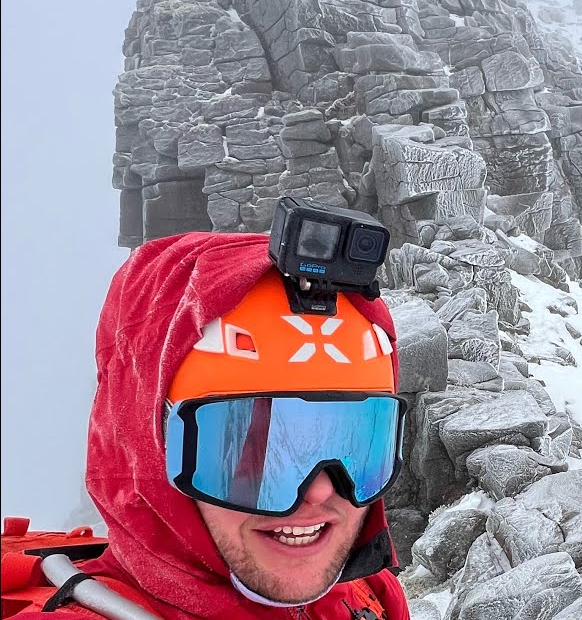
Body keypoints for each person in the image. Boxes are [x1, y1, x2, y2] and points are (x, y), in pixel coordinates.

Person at [16, 232, 411, 619]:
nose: (321, 489)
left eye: (355, 443)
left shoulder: (369, 594)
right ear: (151, 446)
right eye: (248, 445)